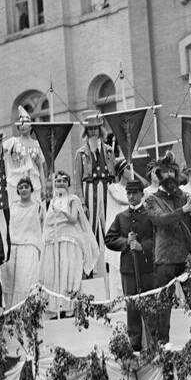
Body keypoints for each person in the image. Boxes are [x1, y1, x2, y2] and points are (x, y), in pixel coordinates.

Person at [144, 154, 191, 342]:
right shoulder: (151, 199)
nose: (169, 175)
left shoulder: (183, 195)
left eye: (172, 171)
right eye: (165, 172)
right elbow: (160, 220)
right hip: (165, 258)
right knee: (163, 305)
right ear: (159, 175)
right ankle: (162, 345)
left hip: (188, 256)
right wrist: (184, 210)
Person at [103, 177, 154, 353]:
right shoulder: (121, 217)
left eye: (135, 193)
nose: (131, 196)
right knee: (132, 307)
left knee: (149, 304)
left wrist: (143, 246)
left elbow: (157, 239)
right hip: (129, 270)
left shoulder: (150, 215)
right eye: (129, 193)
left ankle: (153, 342)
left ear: (142, 194)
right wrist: (126, 242)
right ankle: (135, 344)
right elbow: (109, 239)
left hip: (147, 269)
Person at [40, 170, 99, 310]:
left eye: (64, 181)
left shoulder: (73, 199)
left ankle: (70, 307)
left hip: (70, 240)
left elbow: (73, 219)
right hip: (55, 241)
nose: (61, 183)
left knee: (69, 273)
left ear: (68, 183)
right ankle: (56, 307)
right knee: (55, 274)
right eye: (58, 181)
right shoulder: (53, 201)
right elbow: (47, 222)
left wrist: (62, 212)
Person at [74, 110, 114, 269]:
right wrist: (82, 202)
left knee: (109, 226)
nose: (93, 132)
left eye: (95, 129)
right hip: (89, 188)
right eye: (90, 129)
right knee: (89, 228)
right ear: (86, 131)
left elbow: (114, 177)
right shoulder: (81, 153)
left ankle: (110, 263)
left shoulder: (109, 150)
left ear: (100, 130)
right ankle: (88, 266)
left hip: (106, 189)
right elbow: (77, 180)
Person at [5, 176, 45, 304]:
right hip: (14, 248)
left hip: (30, 247)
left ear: (31, 189)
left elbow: (44, 227)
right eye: (20, 187)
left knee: (27, 283)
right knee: (12, 285)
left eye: (26, 187)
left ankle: (29, 313)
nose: (23, 190)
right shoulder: (13, 207)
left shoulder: (38, 207)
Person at [1, 109, 47, 207]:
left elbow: (41, 167)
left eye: (24, 123)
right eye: (19, 124)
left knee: (35, 209)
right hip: (16, 183)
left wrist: (44, 188)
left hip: (34, 182)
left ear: (31, 126)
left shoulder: (37, 145)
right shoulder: (12, 142)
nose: (22, 126)